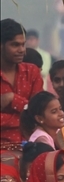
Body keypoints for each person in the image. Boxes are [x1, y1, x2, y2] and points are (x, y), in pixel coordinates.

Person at [1, 18, 44, 153]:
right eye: (15, 45)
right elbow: (34, 115)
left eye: (23, 45)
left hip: (32, 147)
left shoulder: (32, 72)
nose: (22, 50)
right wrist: (26, 115)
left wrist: (12, 99)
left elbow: (39, 112)